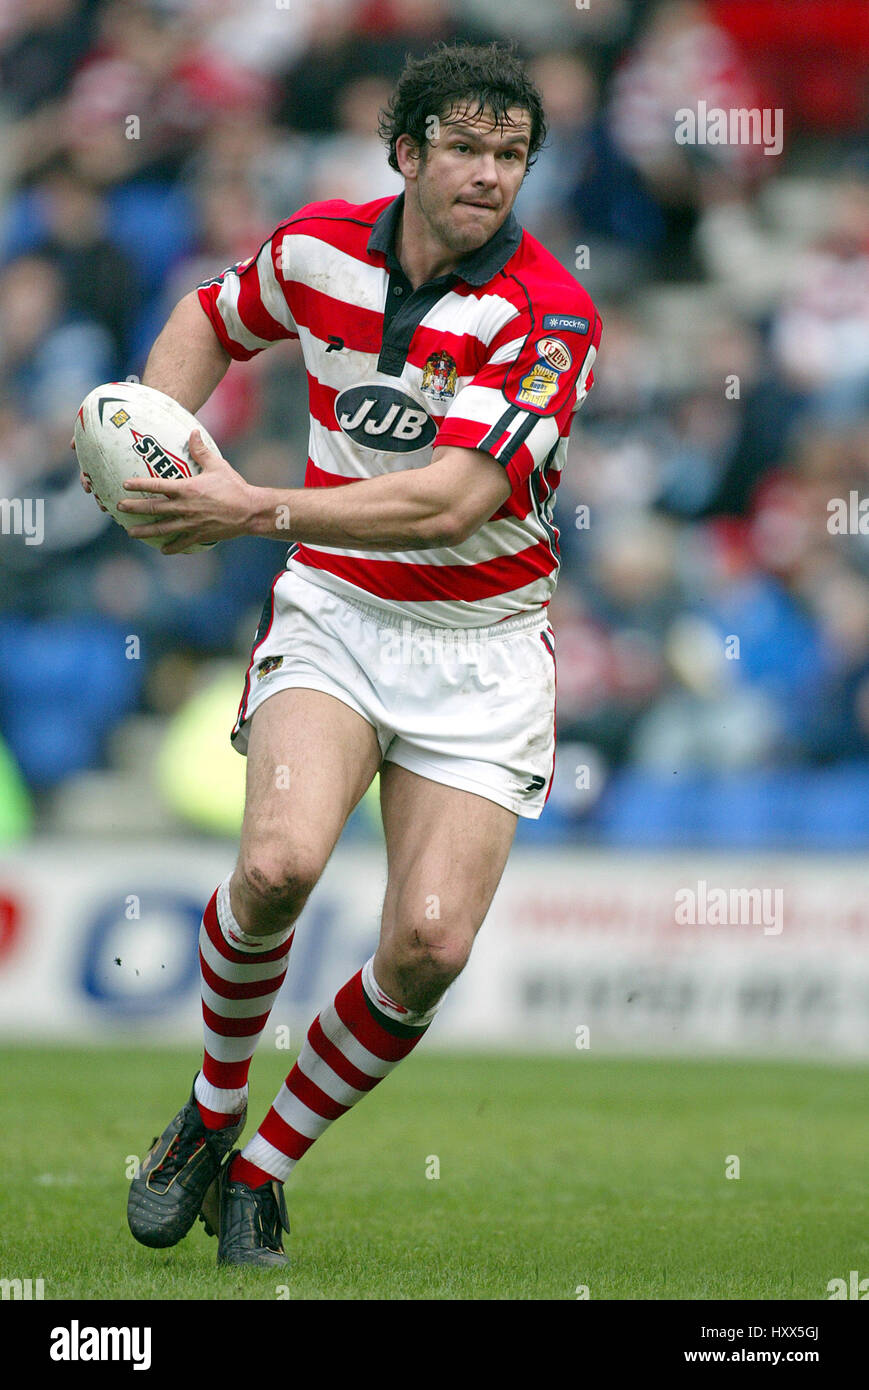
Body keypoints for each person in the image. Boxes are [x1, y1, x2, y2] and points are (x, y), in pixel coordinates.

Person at [87, 41, 602, 1267]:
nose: (487, 174)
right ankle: (209, 1121)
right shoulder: (316, 245)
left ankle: (265, 1166)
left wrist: (242, 506)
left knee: (426, 946)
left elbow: (448, 501)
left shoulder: (546, 314)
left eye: (509, 154)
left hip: (479, 647)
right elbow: (206, 321)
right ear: (405, 150)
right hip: (336, 610)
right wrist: (160, 453)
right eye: (465, 149)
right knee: (273, 868)